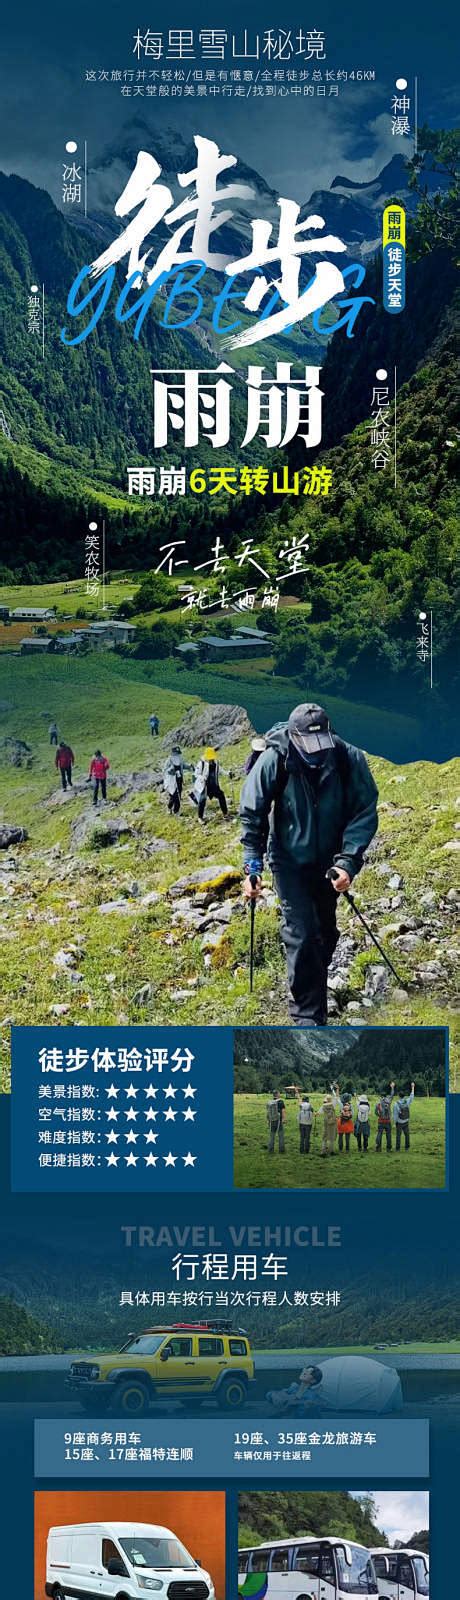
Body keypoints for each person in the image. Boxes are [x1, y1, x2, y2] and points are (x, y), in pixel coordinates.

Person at [240, 702, 378, 1025]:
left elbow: (364, 810)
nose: (317, 752)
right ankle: (307, 1018)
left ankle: (313, 983)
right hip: (288, 861)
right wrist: (252, 867)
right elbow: (252, 813)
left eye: (321, 743)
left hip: (329, 861)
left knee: (325, 934)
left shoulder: (347, 757)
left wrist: (347, 862)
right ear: (294, 737)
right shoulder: (275, 759)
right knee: (301, 934)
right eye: (309, 745)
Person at [266, 1356, 403, 1416]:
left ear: (313, 1380)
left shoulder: (310, 1395)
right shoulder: (296, 1389)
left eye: (307, 1372)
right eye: (304, 1371)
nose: (303, 1372)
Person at [191, 748, 229, 822]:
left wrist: (227, 773)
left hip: (213, 784)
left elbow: (220, 770)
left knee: (221, 795)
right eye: (210, 758)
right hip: (204, 785)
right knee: (202, 800)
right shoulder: (202, 763)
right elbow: (196, 774)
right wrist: (202, 777)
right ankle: (200, 817)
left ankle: (225, 814)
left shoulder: (216, 762)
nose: (211, 759)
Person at [163, 746, 193, 815]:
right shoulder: (169, 760)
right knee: (174, 795)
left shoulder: (180, 758)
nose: (177, 754)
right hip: (171, 781)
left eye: (178, 753)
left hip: (179, 779)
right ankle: (175, 811)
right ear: (173, 753)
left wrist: (189, 766)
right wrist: (170, 770)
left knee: (178, 795)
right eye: (176, 753)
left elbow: (183, 765)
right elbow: (164, 770)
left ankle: (170, 808)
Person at [332, 1083, 355, 1153]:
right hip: (348, 1123)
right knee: (347, 1137)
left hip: (341, 1122)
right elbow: (352, 1114)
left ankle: (340, 1149)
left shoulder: (341, 1104)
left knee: (340, 1136)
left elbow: (337, 1097)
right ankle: (347, 1149)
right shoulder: (350, 1106)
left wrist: (337, 1089)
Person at [393, 1082, 415, 1151]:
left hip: (399, 1122)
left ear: (399, 1096)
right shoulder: (407, 1101)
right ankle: (407, 1147)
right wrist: (413, 1087)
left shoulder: (396, 1104)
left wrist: (395, 1122)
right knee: (407, 1135)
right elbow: (411, 1096)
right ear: (404, 1096)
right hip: (406, 1120)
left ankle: (398, 1149)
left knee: (398, 1135)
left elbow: (395, 1115)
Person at [375, 1082, 396, 1151]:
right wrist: (392, 1087)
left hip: (381, 1120)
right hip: (388, 1120)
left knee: (379, 1134)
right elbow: (392, 1095)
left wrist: (379, 1115)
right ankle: (388, 1148)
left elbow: (376, 1112)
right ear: (386, 1096)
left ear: (381, 1096)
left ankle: (378, 1148)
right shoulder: (389, 1101)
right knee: (388, 1135)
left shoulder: (378, 1103)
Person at [317, 1092, 337, 1157]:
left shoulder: (323, 1106)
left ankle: (323, 1151)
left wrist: (315, 1114)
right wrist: (337, 1090)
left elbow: (318, 1113)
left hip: (326, 1122)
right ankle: (331, 1151)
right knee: (332, 1137)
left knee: (325, 1136)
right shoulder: (333, 1104)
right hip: (333, 1122)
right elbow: (336, 1097)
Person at [266, 1090, 286, 1154]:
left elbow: (268, 1112)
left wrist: (268, 1120)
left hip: (272, 1120)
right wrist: (284, 1119)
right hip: (279, 1120)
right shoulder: (280, 1101)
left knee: (272, 1135)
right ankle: (281, 1150)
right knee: (281, 1135)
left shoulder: (270, 1102)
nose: (280, 1094)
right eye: (279, 1093)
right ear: (277, 1094)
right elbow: (283, 1111)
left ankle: (270, 1150)